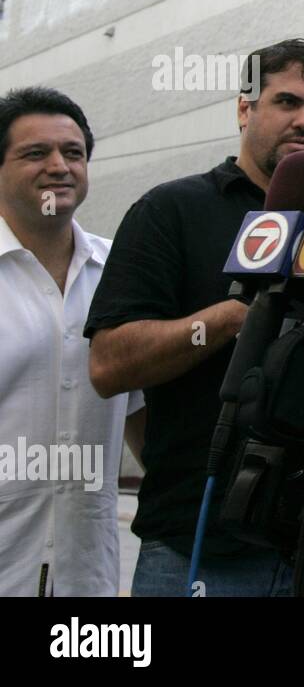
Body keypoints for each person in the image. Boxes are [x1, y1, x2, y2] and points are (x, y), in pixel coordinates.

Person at [86, 39, 304, 596]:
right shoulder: (172, 210)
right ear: (244, 108)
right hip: (197, 546)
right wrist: (233, 318)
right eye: (286, 102)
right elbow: (109, 363)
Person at [0, 86, 143, 596]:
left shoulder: (121, 274)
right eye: (35, 153)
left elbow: (141, 417)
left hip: (87, 575)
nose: (59, 166)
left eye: (73, 153)